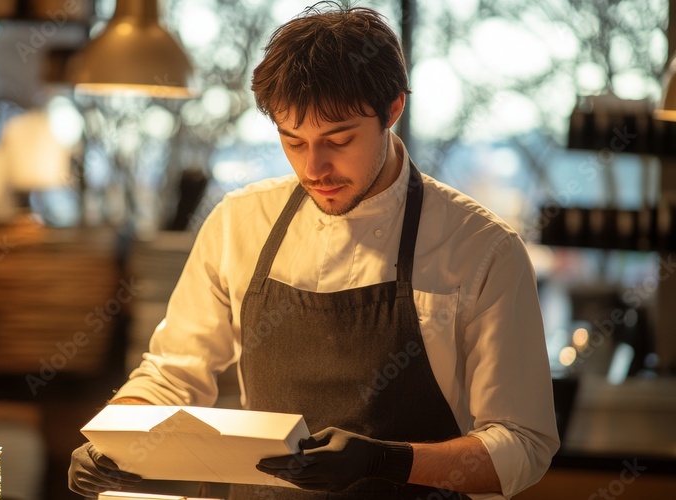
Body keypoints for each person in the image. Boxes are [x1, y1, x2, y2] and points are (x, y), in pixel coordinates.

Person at [68, 4, 559, 499]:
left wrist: (386, 460)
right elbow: (174, 373)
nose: (315, 167)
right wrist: (114, 435)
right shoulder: (239, 223)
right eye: (292, 140)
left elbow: (522, 446)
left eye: (338, 138)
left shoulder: (481, 249)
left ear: (392, 109)